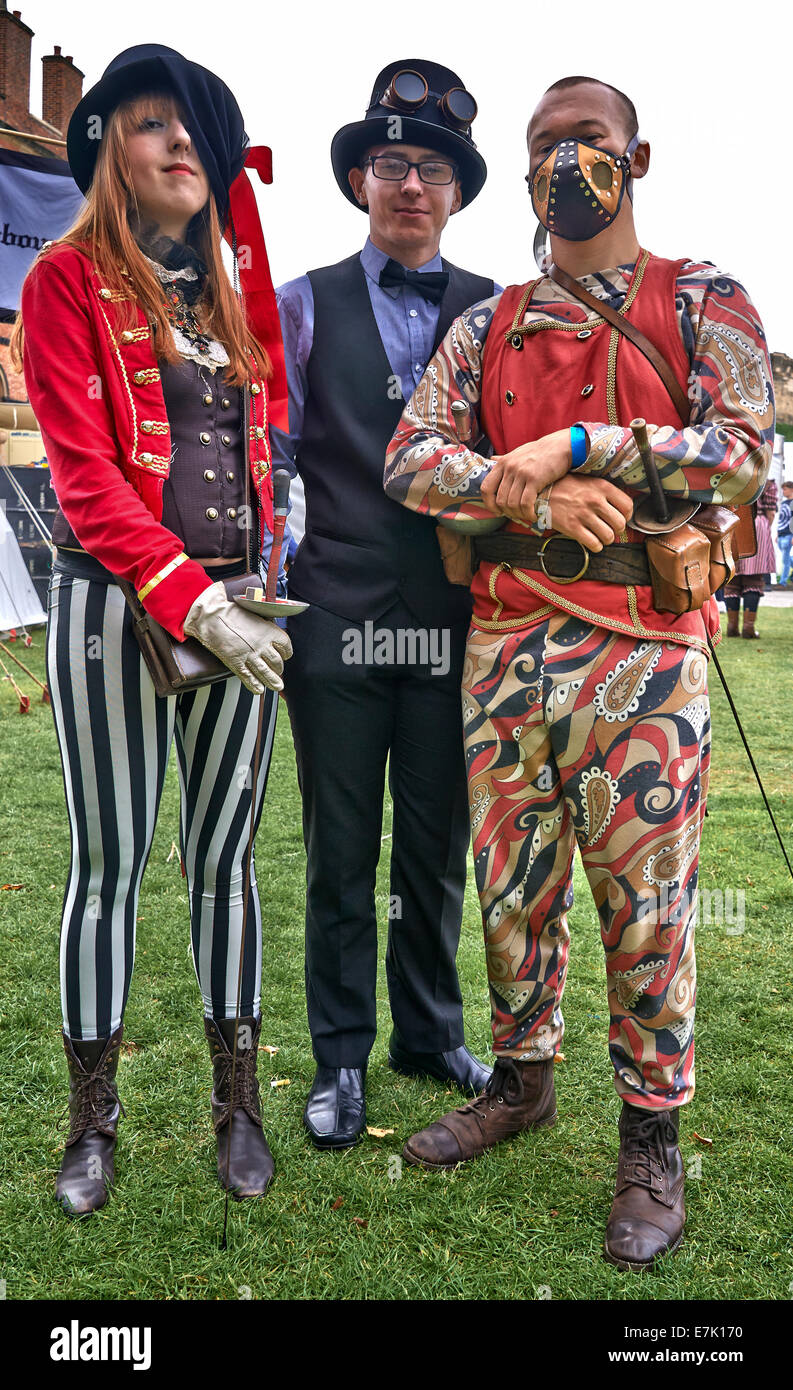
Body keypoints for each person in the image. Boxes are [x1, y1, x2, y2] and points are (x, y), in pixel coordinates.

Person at [384, 74, 773, 1268]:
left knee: (650, 907)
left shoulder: (701, 297)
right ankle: (522, 1079)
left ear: (635, 157)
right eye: (545, 145)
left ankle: (651, 1138)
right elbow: (410, 457)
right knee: (513, 893)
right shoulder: (489, 324)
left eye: (588, 142)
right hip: (506, 644)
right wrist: (539, 488)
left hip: (640, 657)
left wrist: (577, 444)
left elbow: (742, 453)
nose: (567, 163)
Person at [13, 44, 292, 1216]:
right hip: (114, 604)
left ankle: (237, 1104)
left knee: (226, 862)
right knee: (109, 865)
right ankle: (93, 1121)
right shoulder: (66, 281)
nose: (181, 144)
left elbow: (270, 431)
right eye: (148, 126)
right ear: (108, 156)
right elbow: (86, 481)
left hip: (248, 607)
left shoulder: (225, 294)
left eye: (195, 132)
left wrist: (258, 588)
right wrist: (196, 602)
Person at [273, 59, 495, 1150]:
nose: (413, 183)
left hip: (454, 620)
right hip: (338, 612)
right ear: (363, 178)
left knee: (435, 845)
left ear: (456, 192)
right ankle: (339, 1053)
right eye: (395, 163)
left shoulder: (497, 312)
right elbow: (271, 459)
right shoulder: (300, 303)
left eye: (434, 168)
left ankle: (429, 1029)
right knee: (341, 842)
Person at [724, 477, 778, 636]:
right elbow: (771, 513)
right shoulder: (767, 483)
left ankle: (732, 627)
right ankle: (748, 628)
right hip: (756, 524)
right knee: (753, 579)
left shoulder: (729, 476)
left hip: (730, 522)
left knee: (732, 579)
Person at [778, 479, 793, 587]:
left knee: (785, 560)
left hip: (789, 534)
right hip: (781, 533)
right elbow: (781, 519)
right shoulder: (783, 503)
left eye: (785, 489)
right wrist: (777, 533)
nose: (783, 491)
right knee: (786, 558)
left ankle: (782, 582)